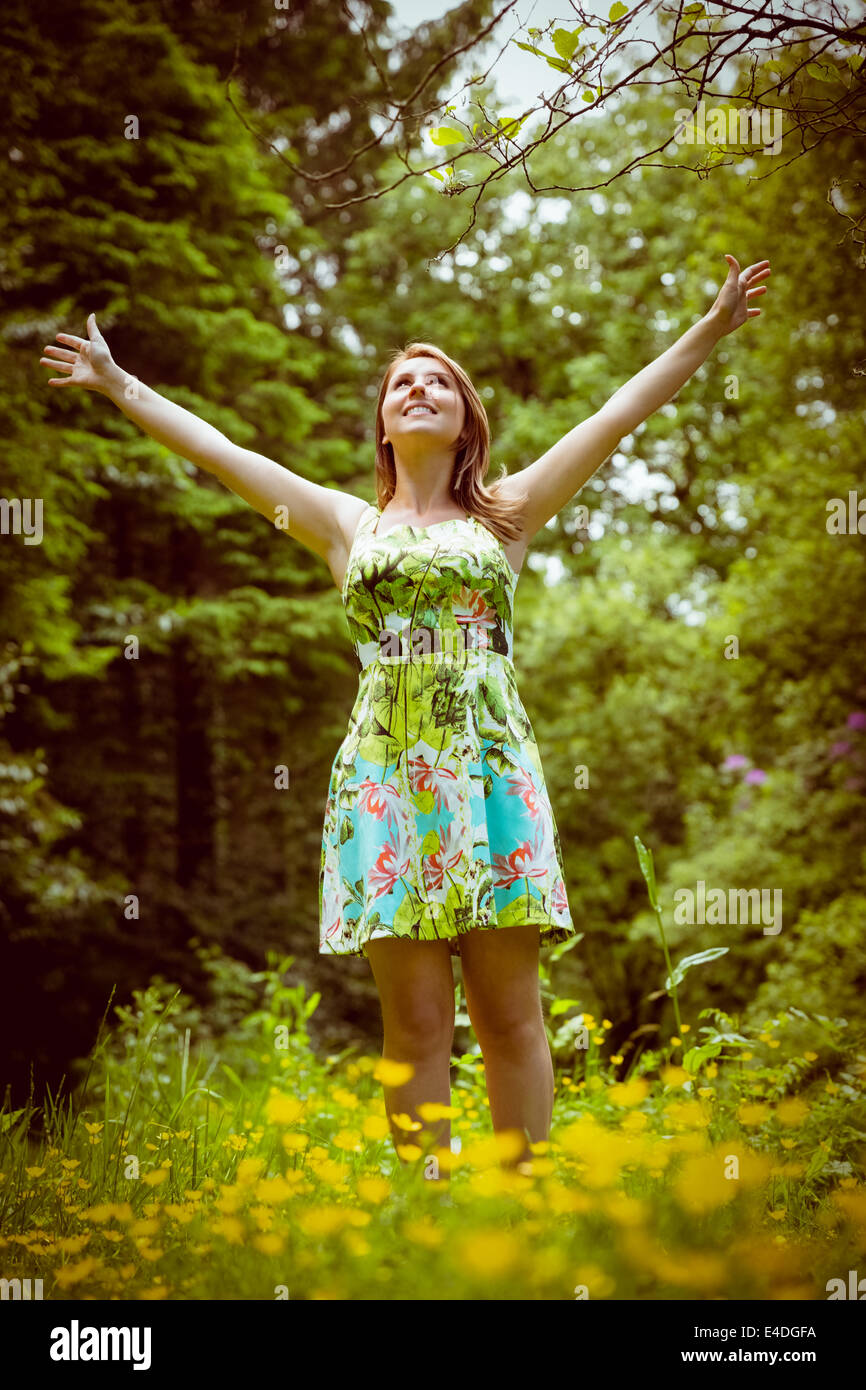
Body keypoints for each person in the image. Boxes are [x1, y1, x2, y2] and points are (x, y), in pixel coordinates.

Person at [39, 254, 770, 1182]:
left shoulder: (506, 515)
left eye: (439, 383)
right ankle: (425, 1219)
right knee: (414, 1021)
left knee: (511, 1014)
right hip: (384, 781)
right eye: (401, 384)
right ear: (385, 423)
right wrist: (118, 383)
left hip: (490, 777)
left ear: (466, 421)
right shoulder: (348, 527)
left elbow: (617, 415)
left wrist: (710, 328)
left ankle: (521, 1205)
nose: (419, 389)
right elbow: (222, 453)